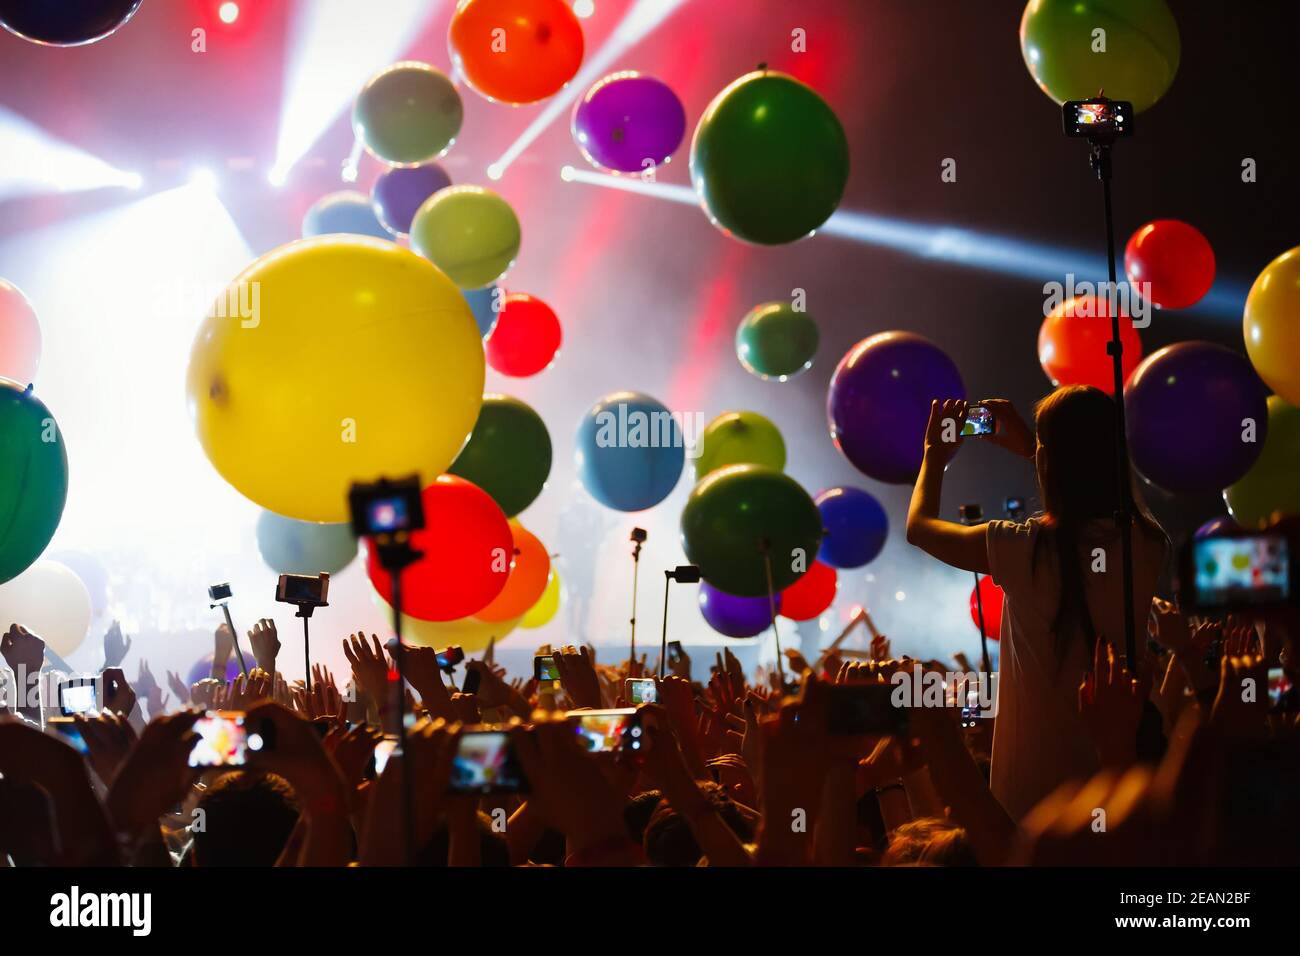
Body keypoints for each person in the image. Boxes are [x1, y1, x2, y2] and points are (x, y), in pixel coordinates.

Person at [906, 387, 1168, 819]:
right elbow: (1091, 489)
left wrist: (934, 454)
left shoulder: (1022, 548)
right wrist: (1037, 448)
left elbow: (920, 528)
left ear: (1050, 462)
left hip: (1030, 800)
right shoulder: (1148, 543)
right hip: (1119, 788)